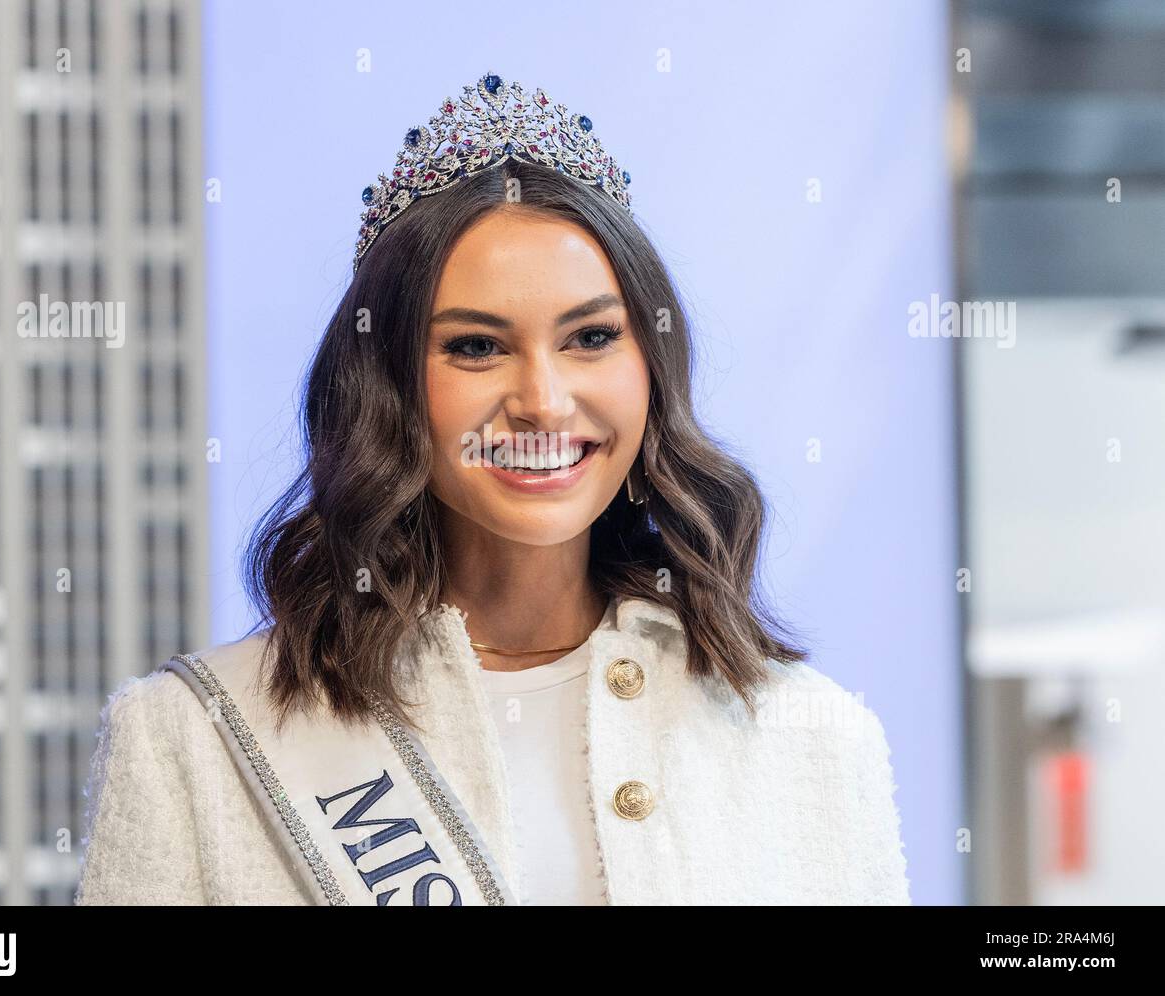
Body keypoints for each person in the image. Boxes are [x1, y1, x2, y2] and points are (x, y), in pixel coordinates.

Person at [74, 73, 911, 906]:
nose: (543, 400)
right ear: (388, 384)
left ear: (651, 366)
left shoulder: (815, 739)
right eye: (477, 347)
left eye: (590, 337)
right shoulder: (195, 740)